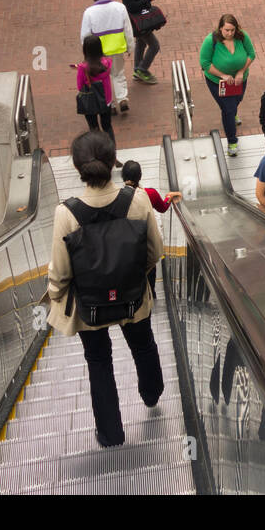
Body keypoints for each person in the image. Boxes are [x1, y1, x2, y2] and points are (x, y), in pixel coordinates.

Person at [43, 131, 164, 447]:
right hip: (133, 297)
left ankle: (111, 433)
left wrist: (56, 296)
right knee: (143, 344)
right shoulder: (136, 200)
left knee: (98, 360)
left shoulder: (66, 213)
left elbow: (60, 271)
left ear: (76, 166)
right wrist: (135, 276)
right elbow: (155, 252)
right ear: (113, 162)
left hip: (88, 303)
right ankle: (151, 393)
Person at [199, 14, 256, 156]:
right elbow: (205, 63)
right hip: (217, 82)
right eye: (226, 30)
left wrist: (241, 72)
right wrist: (223, 75)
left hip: (239, 80)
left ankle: (233, 114)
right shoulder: (210, 41)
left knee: (237, 100)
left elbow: (251, 54)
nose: (230, 33)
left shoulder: (242, 36)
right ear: (220, 29)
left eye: (232, 30)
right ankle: (232, 142)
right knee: (228, 109)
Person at [79, 0, 134, 114]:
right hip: (117, 48)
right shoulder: (120, 7)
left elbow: (85, 35)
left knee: (103, 77)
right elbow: (128, 29)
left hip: (99, 52)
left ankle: (110, 104)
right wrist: (130, 46)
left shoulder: (89, 12)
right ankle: (122, 98)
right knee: (118, 74)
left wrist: (87, 53)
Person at [120, 0, 160, 85]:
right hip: (136, 21)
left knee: (141, 43)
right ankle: (142, 70)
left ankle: (137, 70)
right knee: (154, 45)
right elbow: (131, 6)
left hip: (140, 18)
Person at [76, 36, 117, 145]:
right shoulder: (107, 62)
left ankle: (99, 150)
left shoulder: (83, 67)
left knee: (94, 128)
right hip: (106, 100)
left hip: (90, 102)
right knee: (107, 126)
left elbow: (80, 86)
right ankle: (111, 150)